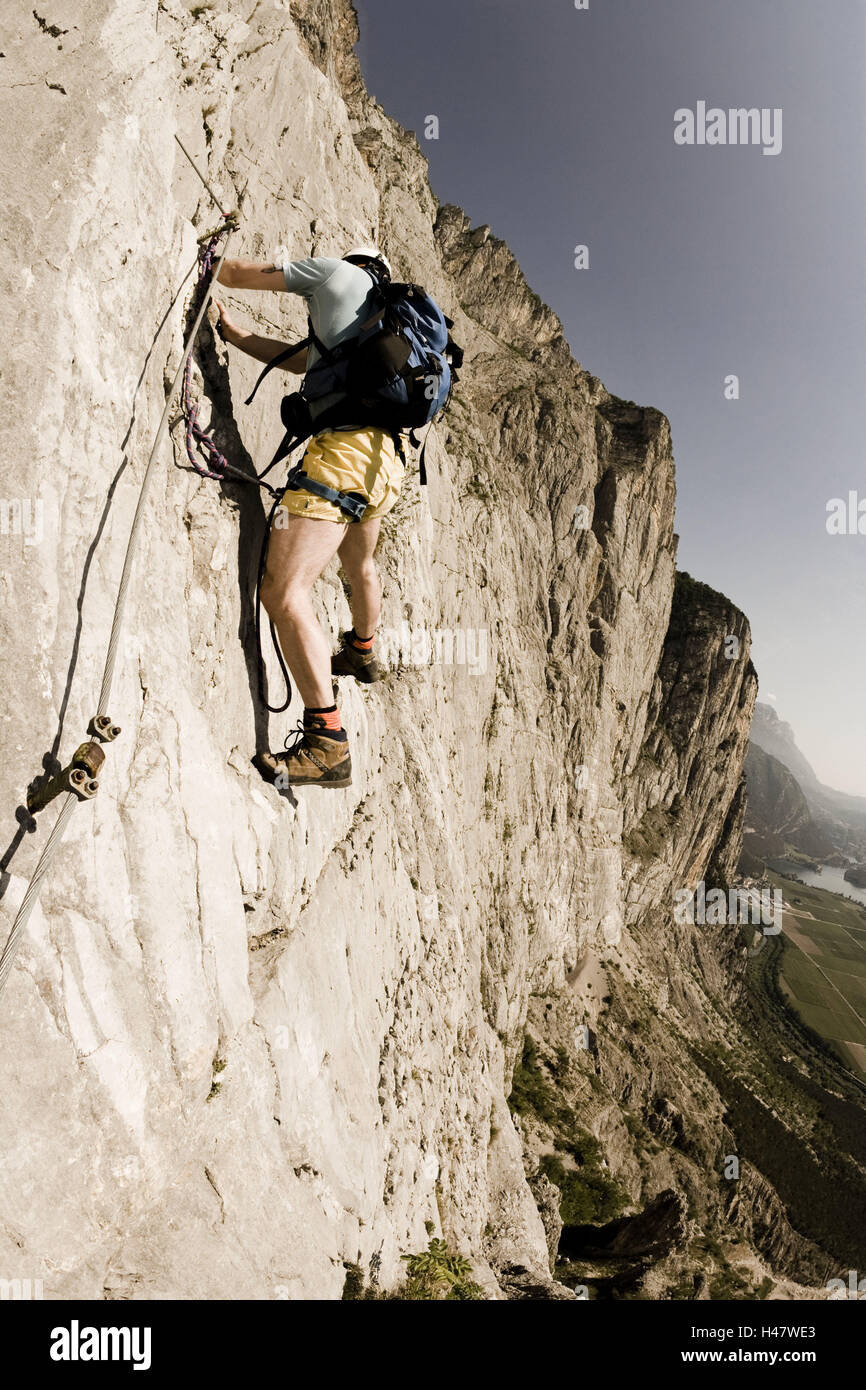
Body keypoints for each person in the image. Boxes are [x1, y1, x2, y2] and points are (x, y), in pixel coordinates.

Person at [214, 245, 403, 789]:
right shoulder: (375, 332)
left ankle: (327, 741)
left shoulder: (334, 275)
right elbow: (300, 360)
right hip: (384, 466)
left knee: (283, 592)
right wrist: (239, 337)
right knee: (359, 564)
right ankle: (363, 650)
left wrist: (208, 249)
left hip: (342, 457)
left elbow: (231, 272)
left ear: (354, 264)